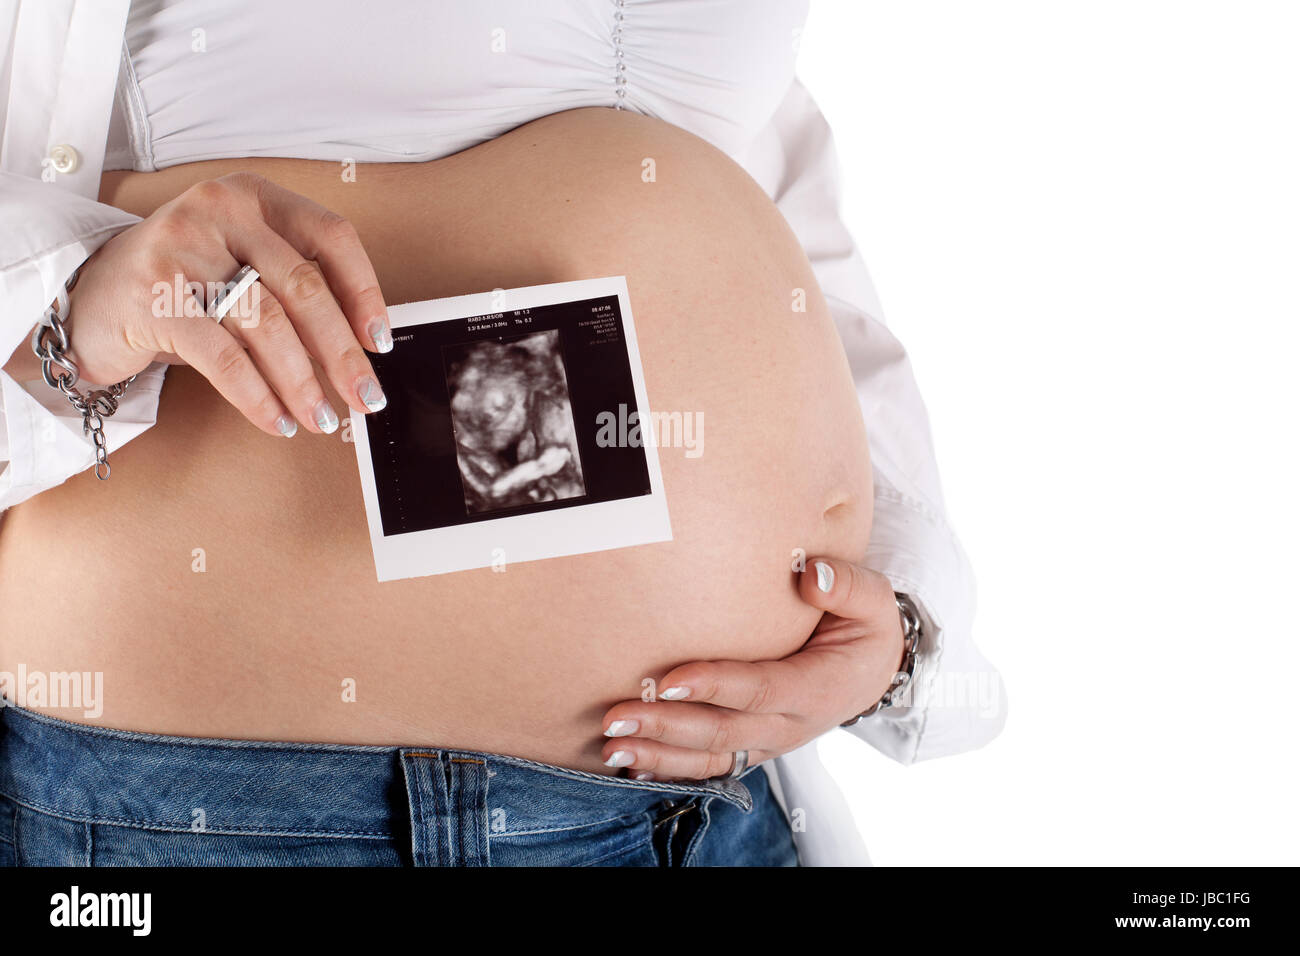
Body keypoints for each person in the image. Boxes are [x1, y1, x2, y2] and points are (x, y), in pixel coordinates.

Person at [0, 0, 1005, 867]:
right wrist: (66, 315)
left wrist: (896, 617)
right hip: (229, 808)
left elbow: (767, 208)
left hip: (715, 805)